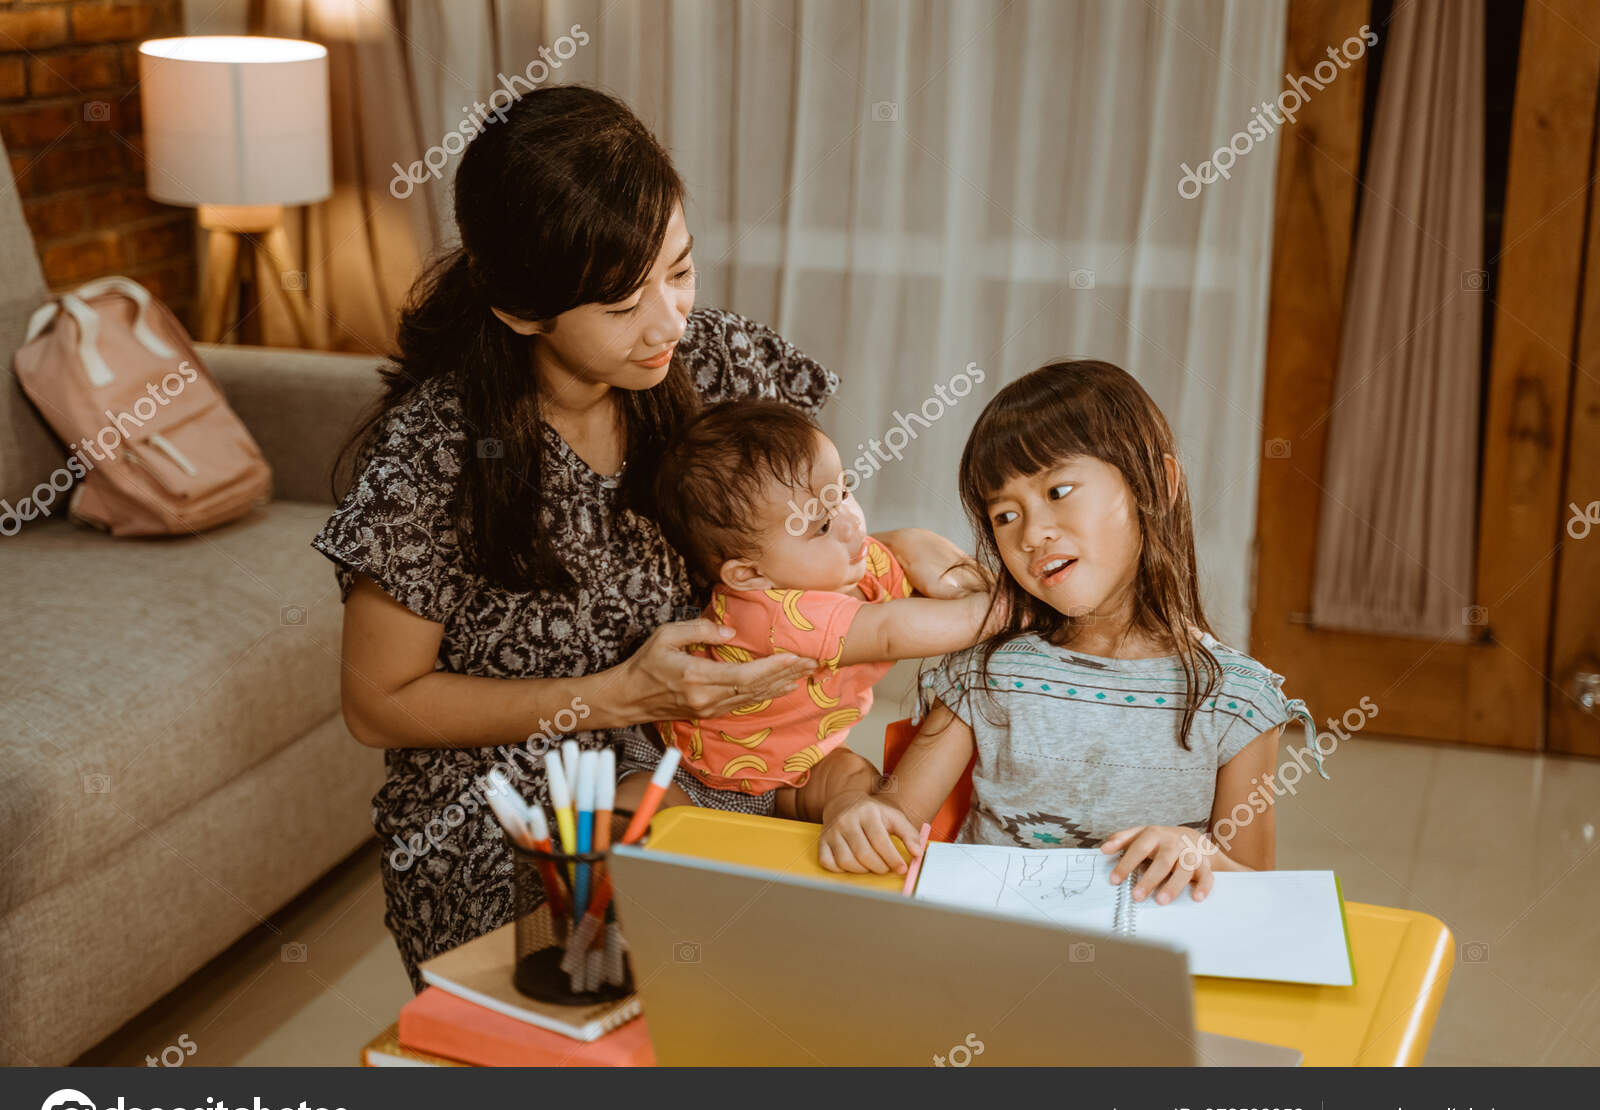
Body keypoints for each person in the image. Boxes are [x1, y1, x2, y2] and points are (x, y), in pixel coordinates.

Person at [313, 85, 975, 989]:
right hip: (514, 808)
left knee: (848, 965)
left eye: (680, 269)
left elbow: (789, 531)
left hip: (719, 766)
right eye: (622, 305)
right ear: (521, 311)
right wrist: (617, 694)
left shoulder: (717, 361)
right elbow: (378, 702)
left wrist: (899, 542)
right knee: (635, 989)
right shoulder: (438, 456)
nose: (670, 321)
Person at [817, 360, 1329, 904]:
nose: (1033, 533)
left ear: (1157, 484)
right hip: (986, 947)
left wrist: (1199, 854)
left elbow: (1259, 894)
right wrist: (863, 816)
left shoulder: (1238, 701)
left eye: (1058, 491)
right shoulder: (989, 669)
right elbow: (897, 813)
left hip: (1138, 964)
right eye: (1005, 516)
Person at [644, 400, 997, 808]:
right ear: (749, 575)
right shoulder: (770, 613)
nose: (853, 524)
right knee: (640, 810)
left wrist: (961, 571)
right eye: (823, 525)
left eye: (843, 491)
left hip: (801, 766)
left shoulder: (855, 562)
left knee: (857, 781)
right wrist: (1005, 609)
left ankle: (854, 828)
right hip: (686, 770)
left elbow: (932, 577)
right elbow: (888, 632)